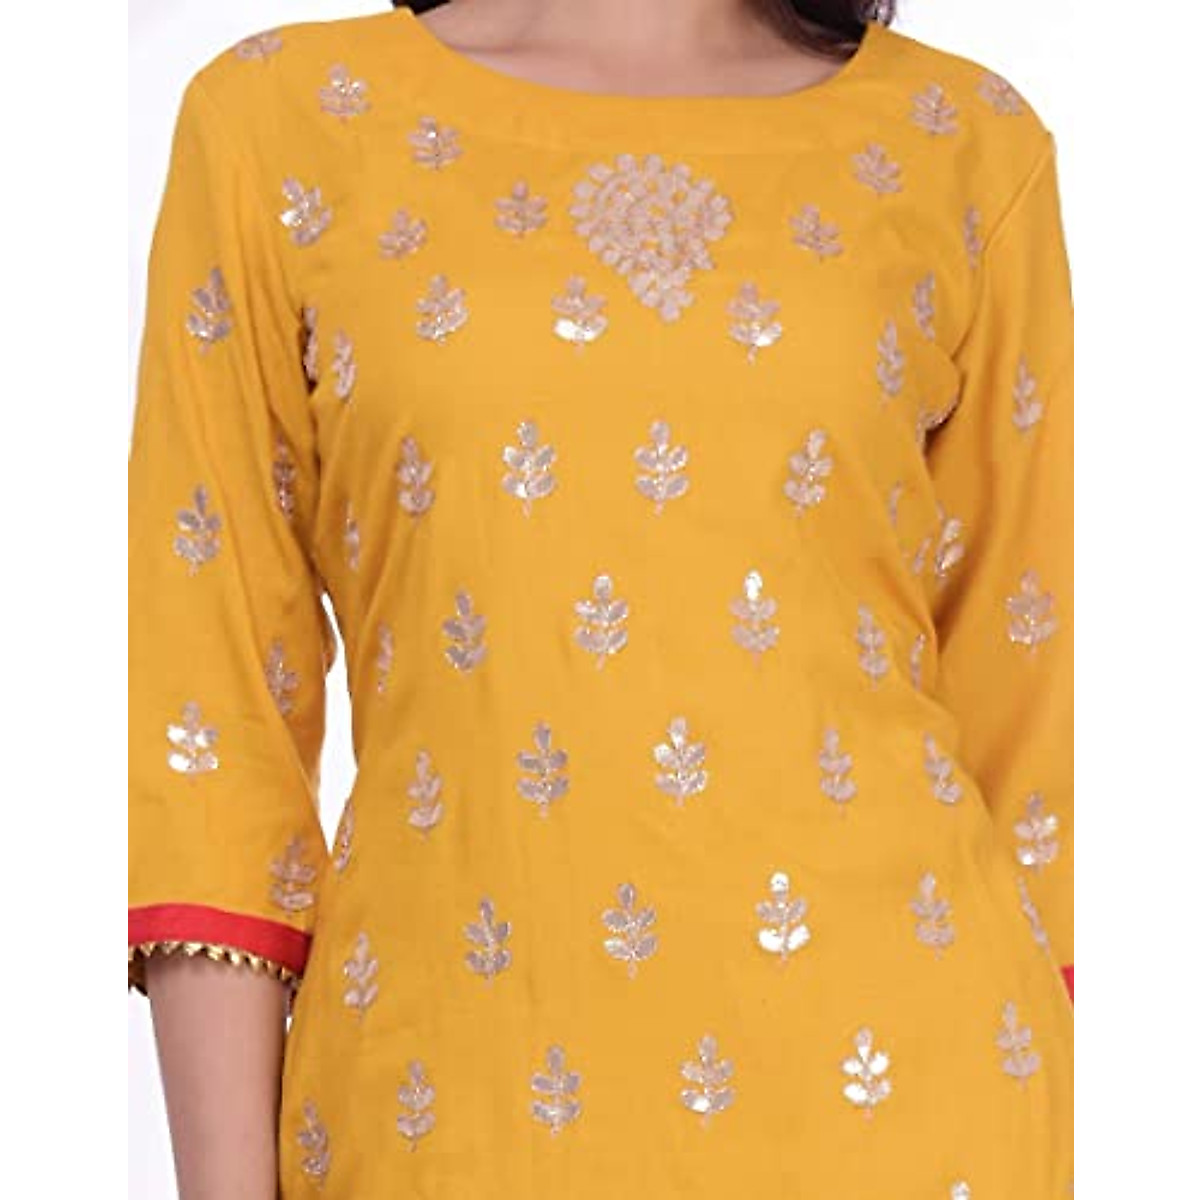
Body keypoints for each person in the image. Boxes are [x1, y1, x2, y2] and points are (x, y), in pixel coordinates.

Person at [128, 1, 1074, 1195]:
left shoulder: (963, 140)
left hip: (910, 1107)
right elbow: (212, 727)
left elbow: (1042, 736)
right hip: (452, 1107)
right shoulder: (283, 122)